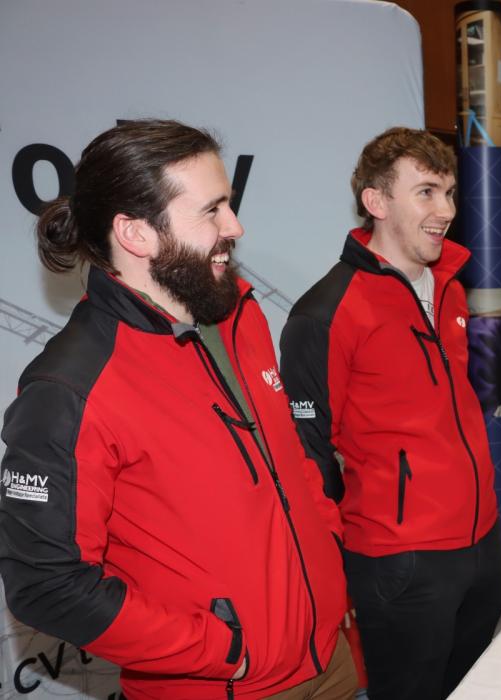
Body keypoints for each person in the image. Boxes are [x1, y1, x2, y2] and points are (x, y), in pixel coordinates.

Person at [0, 120, 353, 699]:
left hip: (327, 659)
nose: (234, 227)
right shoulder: (70, 387)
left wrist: (332, 571)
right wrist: (222, 652)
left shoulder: (241, 315)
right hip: (220, 685)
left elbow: (290, 462)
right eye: (211, 211)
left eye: (230, 206)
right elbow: (46, 584)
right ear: (136, 233)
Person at [279, 127, 501, 700]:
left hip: (481, 543)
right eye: (427, 192)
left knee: (474, 688)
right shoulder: (324, 312)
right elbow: (305, 454)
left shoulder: (452, 287)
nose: (447, 210)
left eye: (451, 193)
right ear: (375, 202)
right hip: (400, 561)